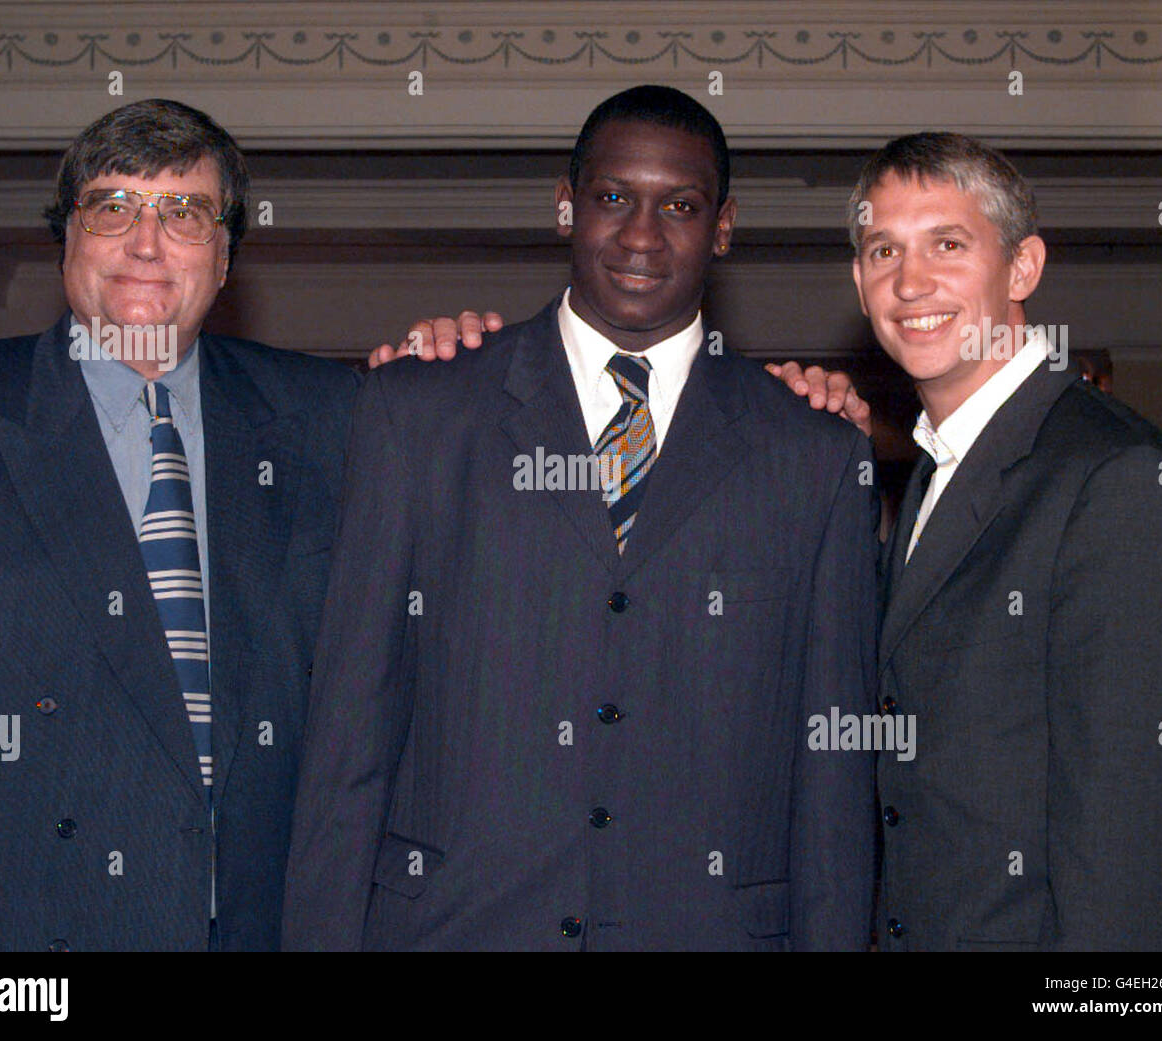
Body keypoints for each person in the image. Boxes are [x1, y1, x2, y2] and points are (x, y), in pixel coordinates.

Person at [281, 85, 880, 951]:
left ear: (724, 227)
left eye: (680, 205)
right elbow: (349, 736)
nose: (642, 235)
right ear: (565, 207)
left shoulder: (813, 452)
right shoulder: (419, 409)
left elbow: (832, 779)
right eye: (611, 198)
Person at [0, 98, 366, 951]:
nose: (146, 243)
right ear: (66, 240)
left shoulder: (330, 419)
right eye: (112, 208)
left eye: (185, 213)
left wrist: (460, 362)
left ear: (227, 255)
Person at [857, 132, 1162, 950]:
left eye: (947, 244)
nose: (910, 282)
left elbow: (1141, 850)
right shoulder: (935, 470)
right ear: (859, 279)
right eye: (884, 250)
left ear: (1022, 269)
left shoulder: (1114, 478)